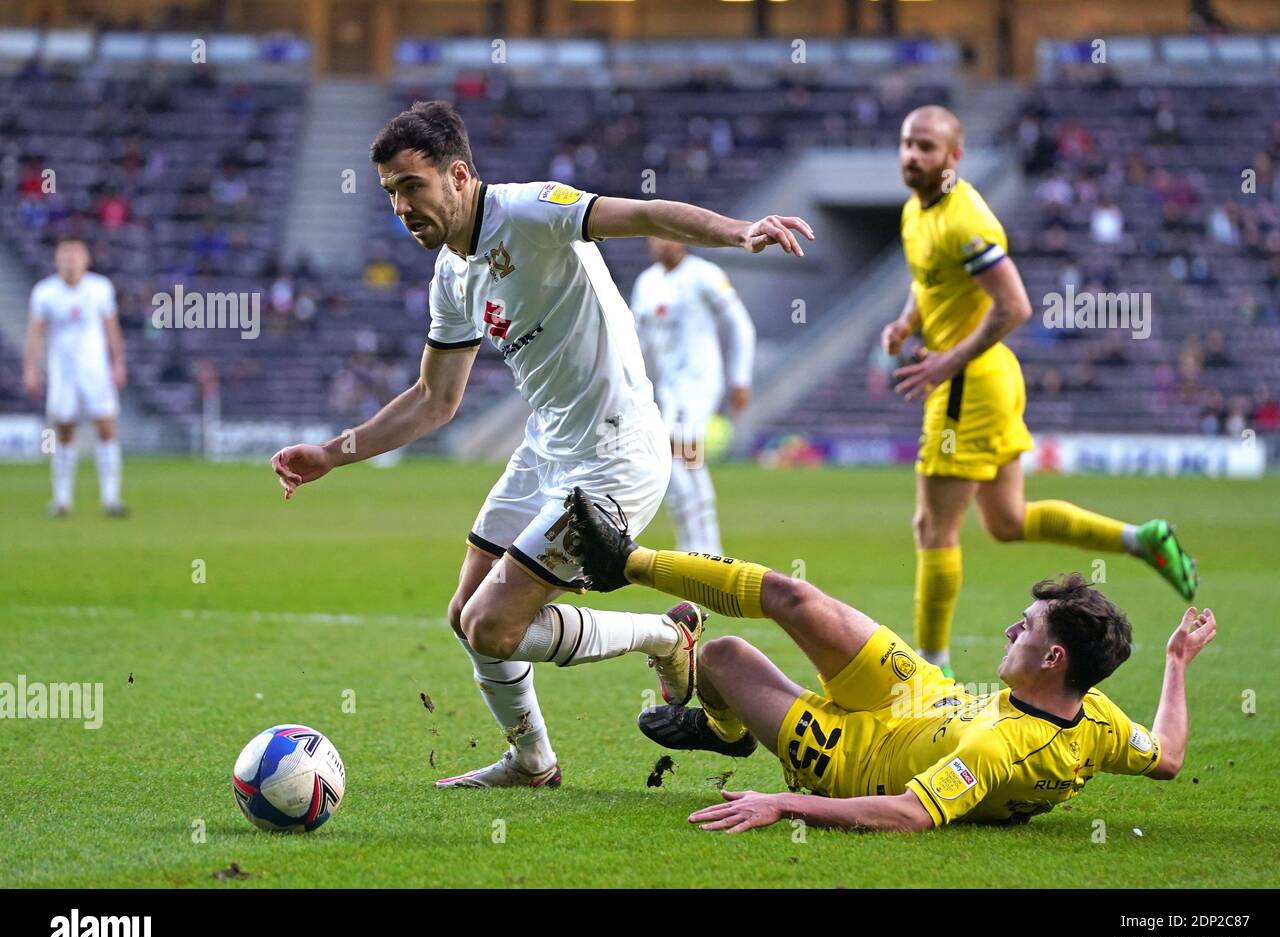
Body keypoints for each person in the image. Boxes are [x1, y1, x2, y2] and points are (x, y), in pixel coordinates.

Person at [269, 101, 814, 788]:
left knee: (494, 626)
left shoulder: (531, 211)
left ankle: (664, 636)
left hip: (616, 450)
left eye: (412, 186)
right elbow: (435, 399)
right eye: (389, 194)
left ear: (458, 175)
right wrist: (332, 452)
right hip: (547, 449)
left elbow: (642, 215)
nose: (401, 207)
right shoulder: (451, 274)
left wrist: (740, 232)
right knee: (464, 615)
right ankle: (532, 761)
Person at [565, 487, 1217, 833]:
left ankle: (724, 727)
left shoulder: (1001, 747)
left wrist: (784, 804)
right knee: (795, 596)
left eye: (1026, 627)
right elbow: (1167, 755)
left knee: (724, 659)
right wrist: (1177, 662)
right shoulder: (1096, 718)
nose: (1009, 626)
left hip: (855, 757)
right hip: (920, 694)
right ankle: (624, 560)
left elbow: (908, 813)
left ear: (1053, 657)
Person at [879, 105, 1196, 677]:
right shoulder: (915, 211)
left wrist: (945, 360)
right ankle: (1140, 539)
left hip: (967, 387)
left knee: (933, 528)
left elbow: (1015, 305)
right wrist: (908, 322)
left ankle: (932, 670)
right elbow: (928, 277)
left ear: (954, 156)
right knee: (1005, 520)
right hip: (988, 381)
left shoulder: (965, 219)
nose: (911, 155)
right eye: (906, 143)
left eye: (926, 146)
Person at [630, 237, 756, 553]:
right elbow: (637, 341)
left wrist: (740, 378)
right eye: (654, 236)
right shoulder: (647, 283)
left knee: (674, 453)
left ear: (682, 239)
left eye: (666, 235)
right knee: (687, 462)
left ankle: (699, 547)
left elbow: (740, 324)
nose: (661, 243)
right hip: (667, 391)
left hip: (699, 384)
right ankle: (703, 549)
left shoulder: (704, 274)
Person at [23, 237, 128, 518]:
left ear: (86, 259)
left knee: (105, 427)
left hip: (95, 371)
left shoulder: (99, 288)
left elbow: (111, 328)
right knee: (64, 431)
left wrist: (118, 362)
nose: (70, 259)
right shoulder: (45, 292)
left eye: (75, 254)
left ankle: (111, 498)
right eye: (65, 254)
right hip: (63, 374)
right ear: (57, 259)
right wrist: (30, 368)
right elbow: (35, 332)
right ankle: (62, 500)